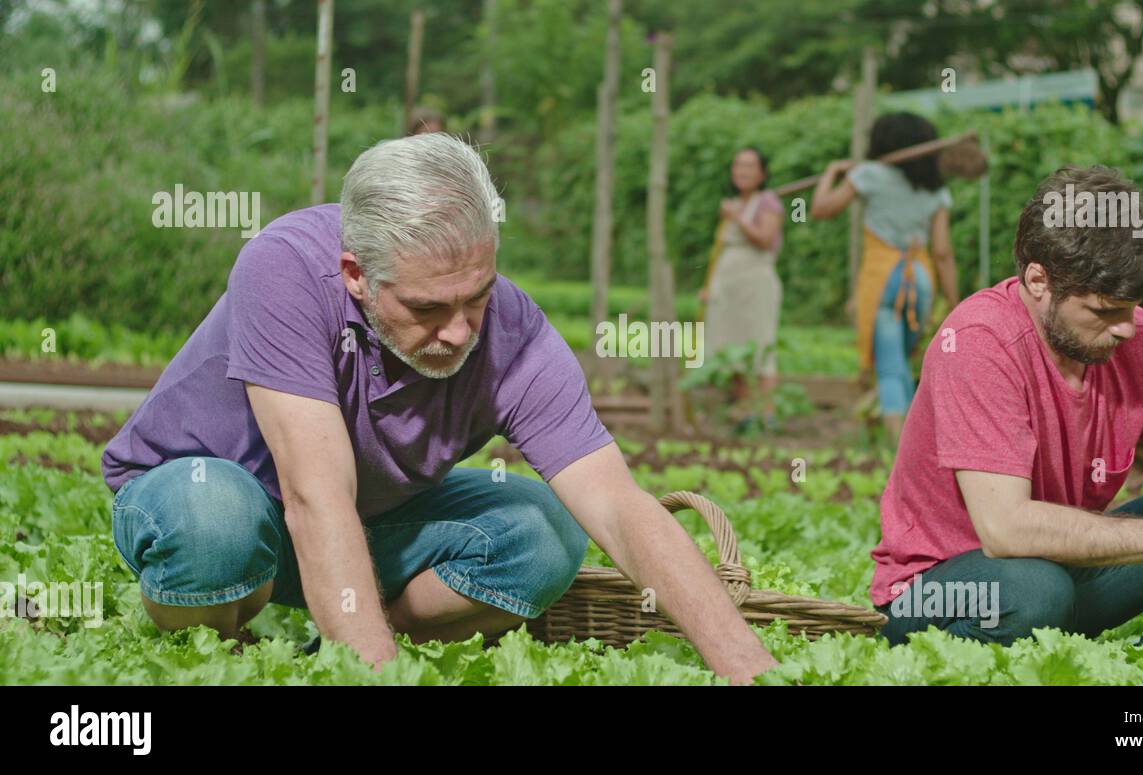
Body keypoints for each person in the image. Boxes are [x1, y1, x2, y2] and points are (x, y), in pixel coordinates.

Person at [101, 133, 778, 684]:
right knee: (217, 517)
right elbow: (314, 495)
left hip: (360, 527)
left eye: (476, 296)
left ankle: (338, 640)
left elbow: (619, 506)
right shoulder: (282, 267)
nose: (459, 330)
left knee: (546, 529)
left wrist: (753, 669)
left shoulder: (515, 333)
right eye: (426, 308)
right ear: (356, 275)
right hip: (207, 496)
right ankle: (219, 643)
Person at [868, 164, 1143, 647]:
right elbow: (1005, 530)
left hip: (1060, 576)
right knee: (1033, 590)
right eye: (1105, 310)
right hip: (939, 594)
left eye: (1132, 308)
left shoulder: (1135, 339)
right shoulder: (977, 342)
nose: (1127, 329)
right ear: (1038, 280)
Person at [810, 112, 960, 444]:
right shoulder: (935, 190)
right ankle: (909, 434)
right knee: (902, 362)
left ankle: (900, 443)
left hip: (883, 278)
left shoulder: (869, 175)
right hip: (920, 280)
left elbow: (821, 208)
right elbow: (942, 252)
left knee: (890, 366)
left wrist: (832, 173)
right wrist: (953, 303)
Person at [699, 147, 785, 426]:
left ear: (761, 173)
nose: (742, 171)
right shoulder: (733, 203)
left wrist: (738, 217)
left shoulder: (768, 203)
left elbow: (764, 238)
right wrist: (709, 285)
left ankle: (765, 411)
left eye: (749, 166)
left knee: (760, 344)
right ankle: (744, 409)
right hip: (728, 288)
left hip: (755, 286)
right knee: (732, 348)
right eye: (738, 166)